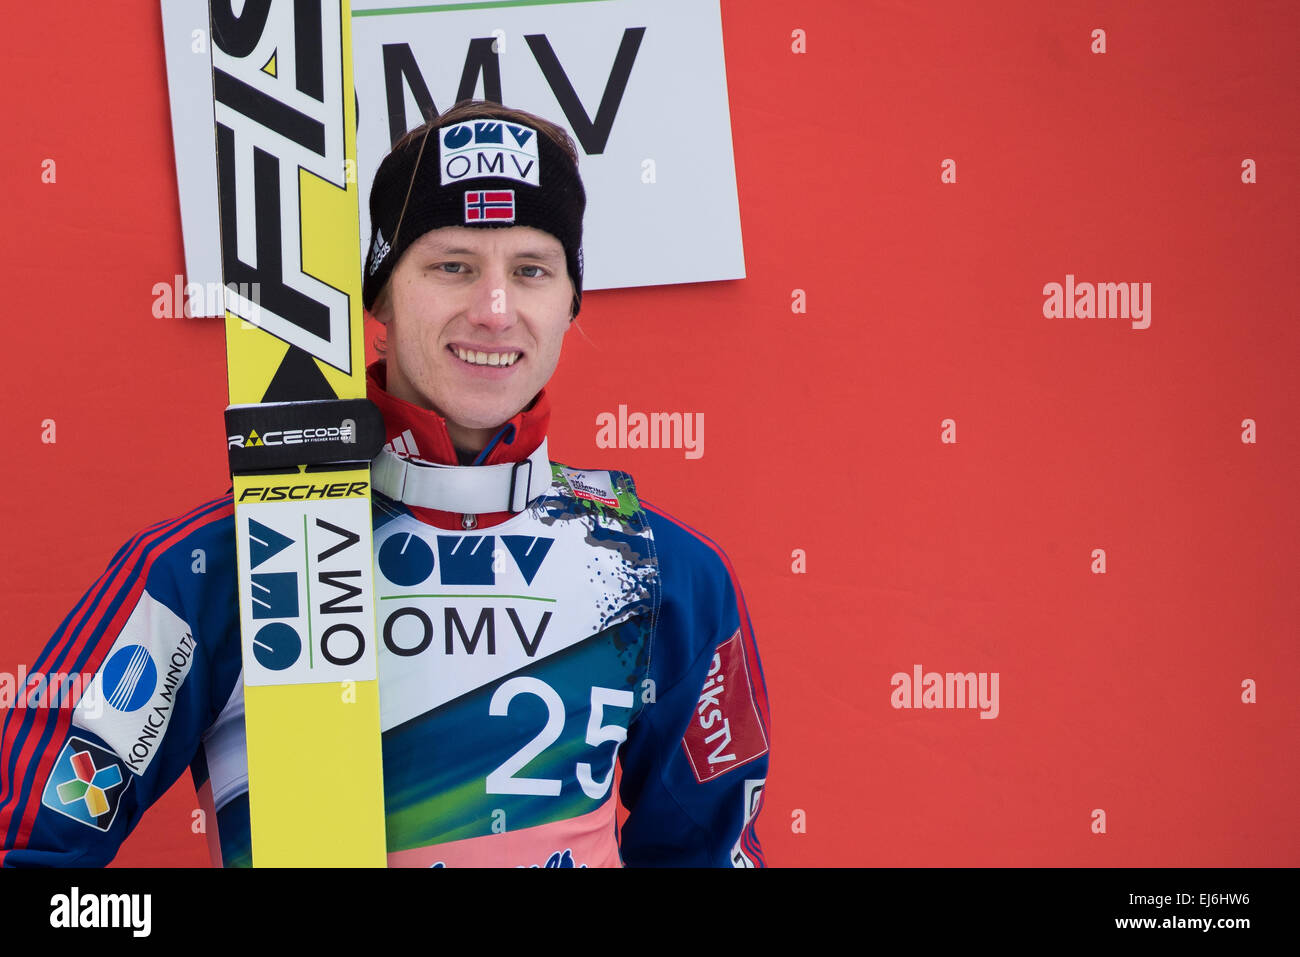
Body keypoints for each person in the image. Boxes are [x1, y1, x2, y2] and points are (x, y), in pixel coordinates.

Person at [0, 100, 770, 868]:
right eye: (452, 266)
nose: (495, 311)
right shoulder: (229, 563)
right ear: (379, 296)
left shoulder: (659, 570)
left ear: (570, 301)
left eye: (531, 270)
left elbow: (711, 848)